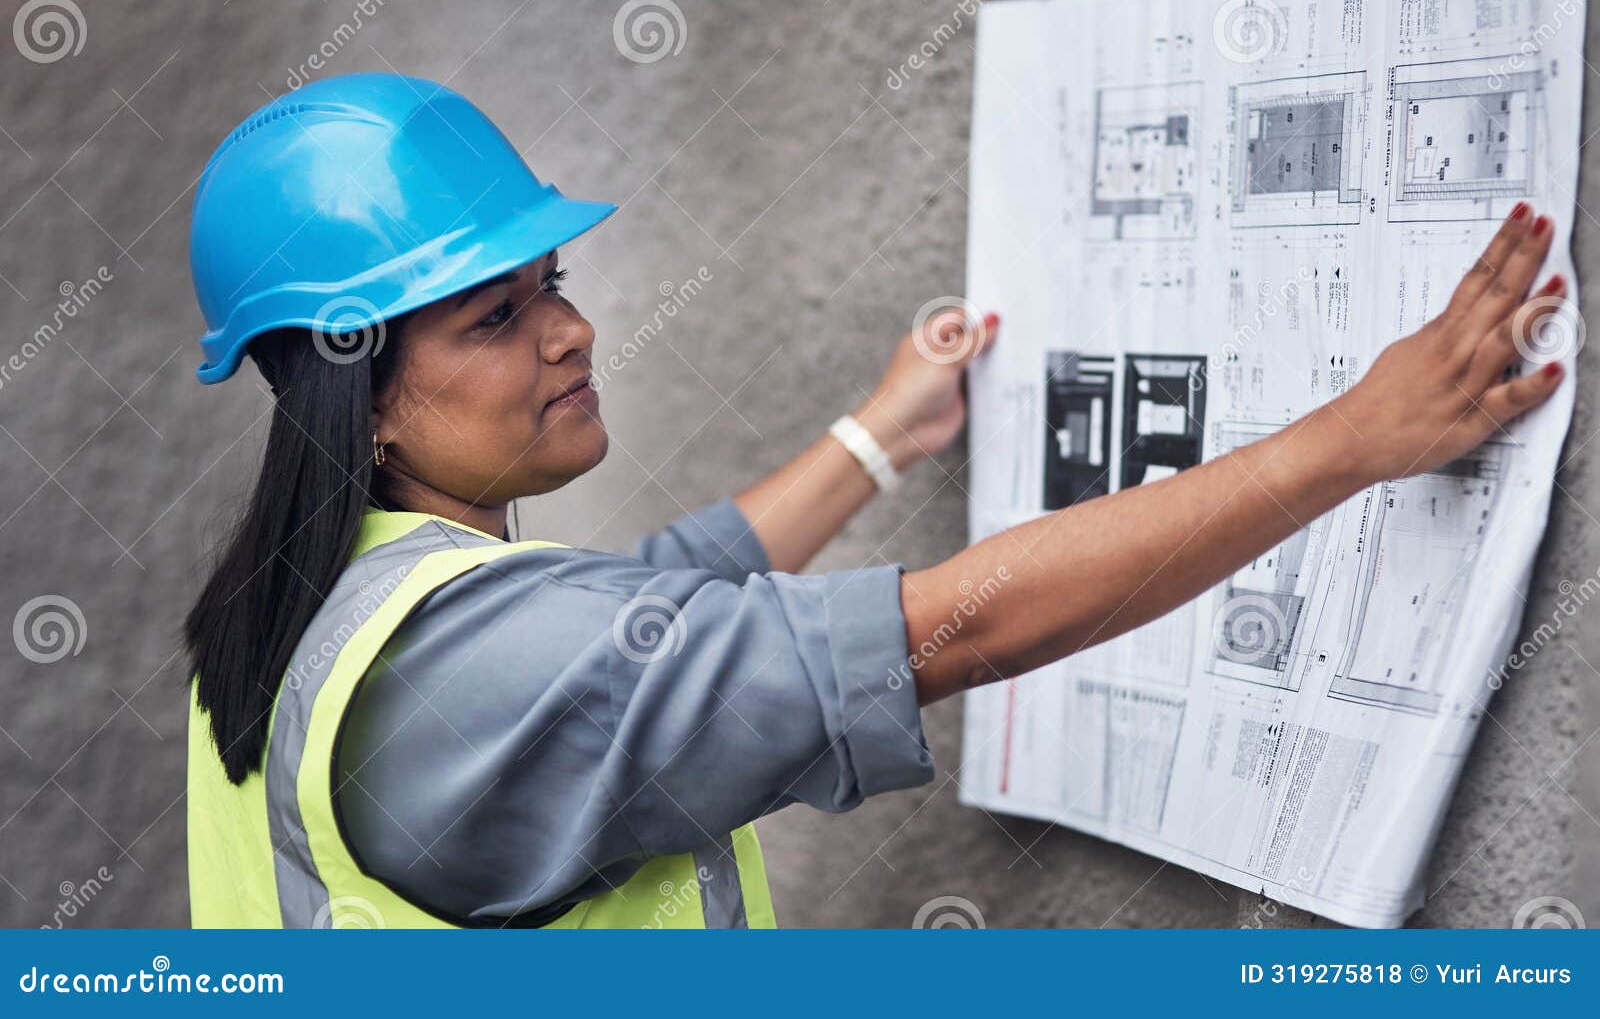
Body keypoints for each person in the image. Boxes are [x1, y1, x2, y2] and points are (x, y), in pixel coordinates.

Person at [183, 73, 1567, 929]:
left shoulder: (296, 616)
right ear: (354, 389)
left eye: (555, 284)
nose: (572, 333)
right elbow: (947, 629)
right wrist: (1347, 440)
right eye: (498, 316)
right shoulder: (476, 664)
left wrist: (877, 432)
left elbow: (658, 609)